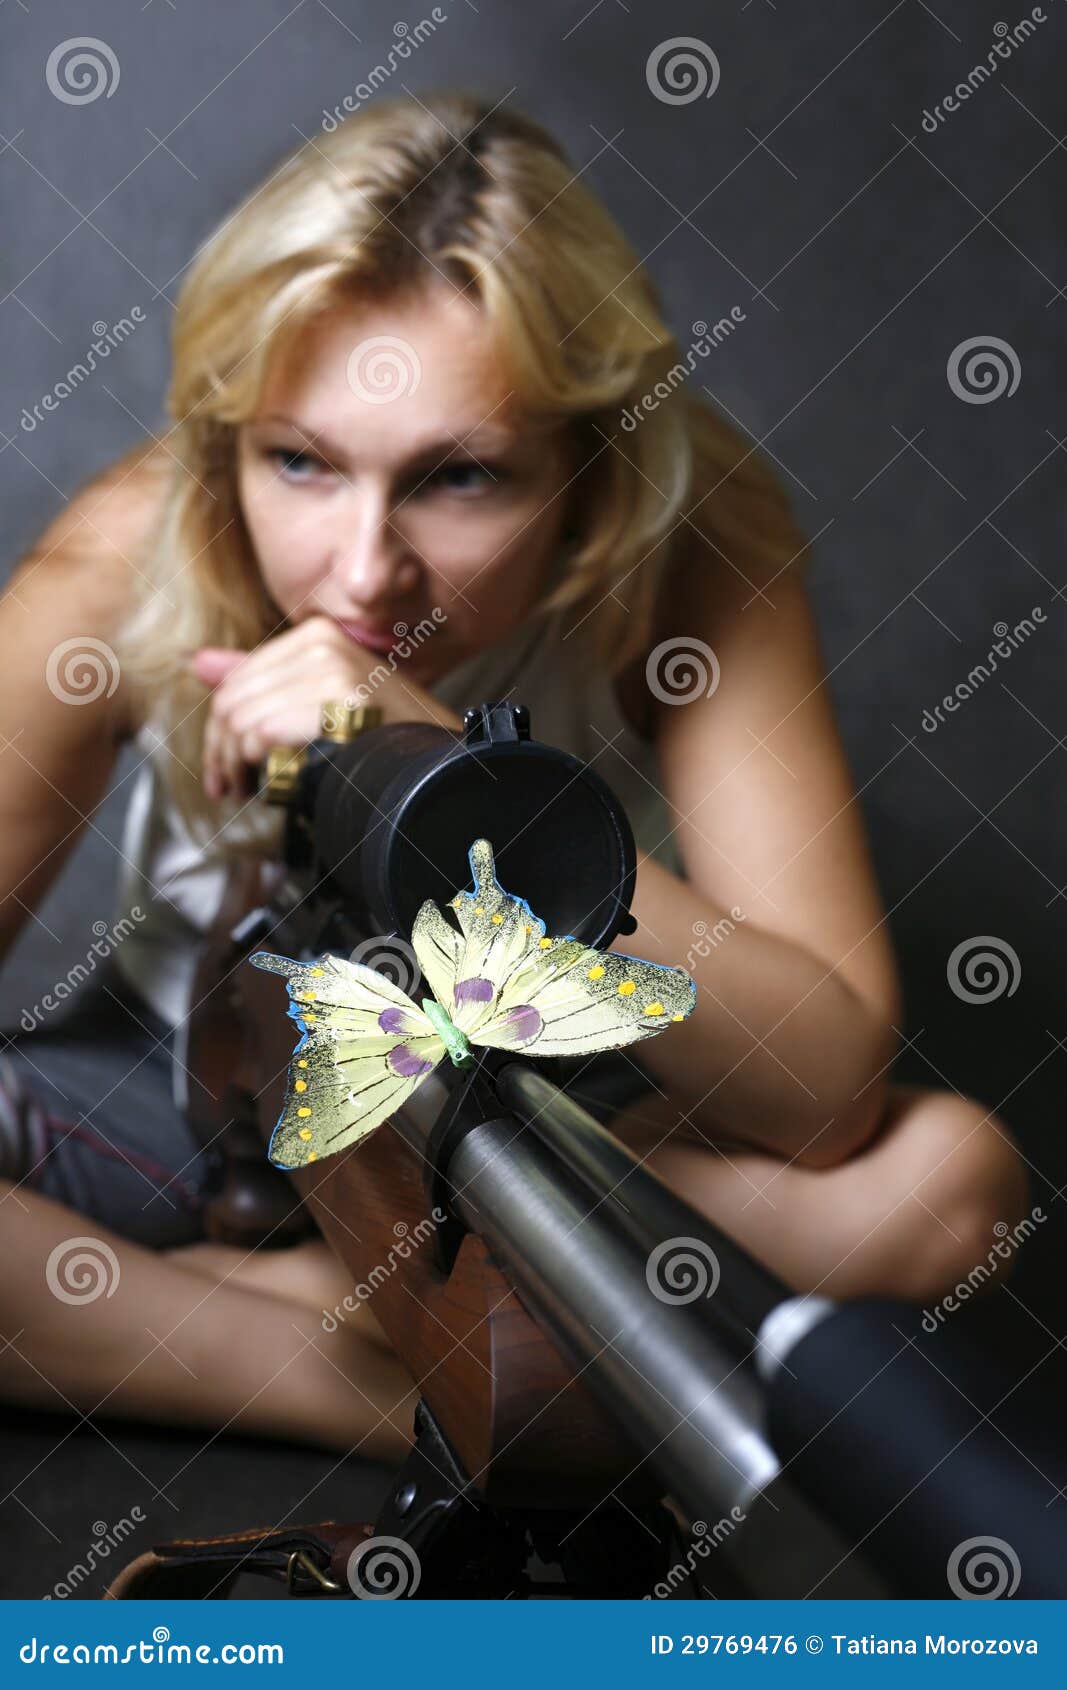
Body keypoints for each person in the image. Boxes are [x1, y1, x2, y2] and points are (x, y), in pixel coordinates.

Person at [0, 91, 1028, 1460]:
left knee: (953, 1189)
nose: (364, 572)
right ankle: (399, 1382)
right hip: (194, 1114)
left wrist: (444, 766)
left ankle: (369, 1326)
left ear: (591, 468)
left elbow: (827, 1083)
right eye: (298, 461)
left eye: (461, 478)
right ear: (223, 440)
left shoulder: (695, 545)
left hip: (533, 1129)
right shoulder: (134, 556)